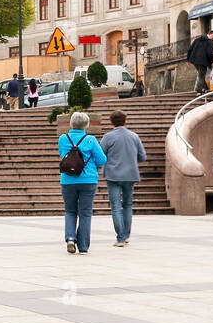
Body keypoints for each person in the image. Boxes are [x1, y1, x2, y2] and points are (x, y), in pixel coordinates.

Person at [58, 111, 107, 254]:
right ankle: (83, 246)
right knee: (85, 212)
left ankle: (70, 239)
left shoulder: (63, 138)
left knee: (70, 211)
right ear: (87, 125)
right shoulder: (91, 139)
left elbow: (63, 155)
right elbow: (102, 160)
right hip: (88, 180)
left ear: (71, 123)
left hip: (68, 179)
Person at [100, 109, 147, 247]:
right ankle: (126, 235)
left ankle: (120, 238)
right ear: (125, 121)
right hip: (130, 175)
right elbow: (142, 156)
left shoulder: (107, 137)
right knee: (128, 205)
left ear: (111, 122)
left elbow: (101, 156)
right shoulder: (134, 136)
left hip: (113, 175)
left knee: (115, 206)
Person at [186, 30, 213, 95]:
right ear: (211, 34)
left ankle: (205, 88)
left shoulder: (197, 40)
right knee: (201, 76)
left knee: (201, 74)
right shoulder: (210, 42)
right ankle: (199, 91)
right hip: (203, 61)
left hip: (194, 60)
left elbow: (190, 49)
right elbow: (209, 53)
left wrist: (188, 60)